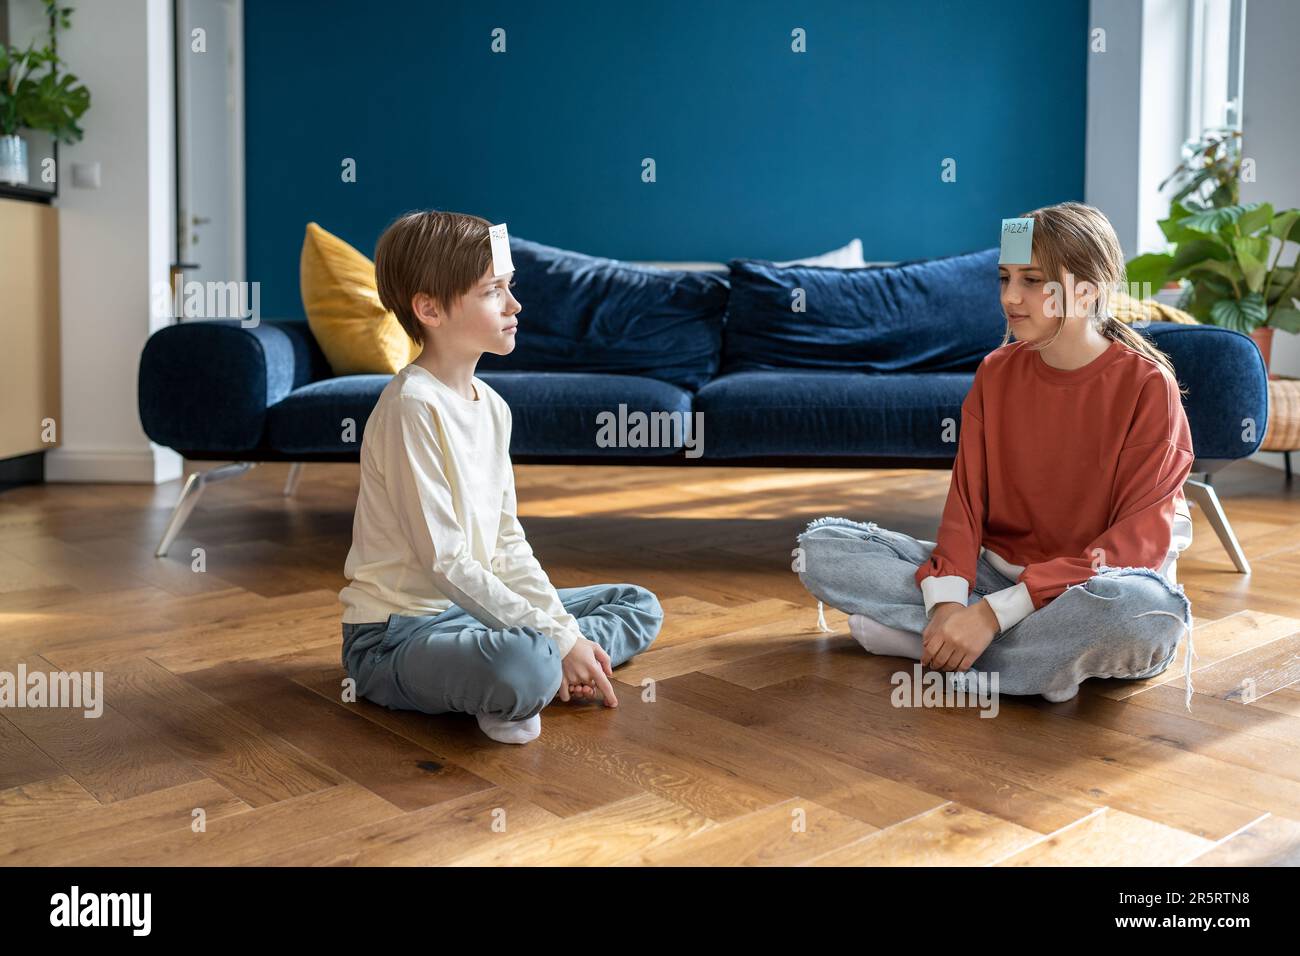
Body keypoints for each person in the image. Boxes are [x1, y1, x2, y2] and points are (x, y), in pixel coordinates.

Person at [796, 201, 1198, 710]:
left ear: (1088, 289)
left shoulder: (1146, 385)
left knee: (1140, 615)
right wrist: (946, 605)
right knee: (823, 546)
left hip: (1090, 589)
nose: (1011, 296)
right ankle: (1025, 663)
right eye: (1004, 277)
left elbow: (1133, 550)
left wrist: (989, 616)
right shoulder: (995, 371)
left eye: (1032, 279)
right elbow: (966, 505)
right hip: (994, 577)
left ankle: (933, 649)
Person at [339, 210, 663, 744]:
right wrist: (556, 640)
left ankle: (553, 666)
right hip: (395, 635)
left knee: (637, 602)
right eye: (494, 291)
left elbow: (506, 540)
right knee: (528, 660)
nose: (515, 305)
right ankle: (537, 673)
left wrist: (557, 631)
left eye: (509, 287)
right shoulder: (411, 407)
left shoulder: (493, 406)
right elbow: (444, 561)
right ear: (429, 308)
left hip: (479, 616)